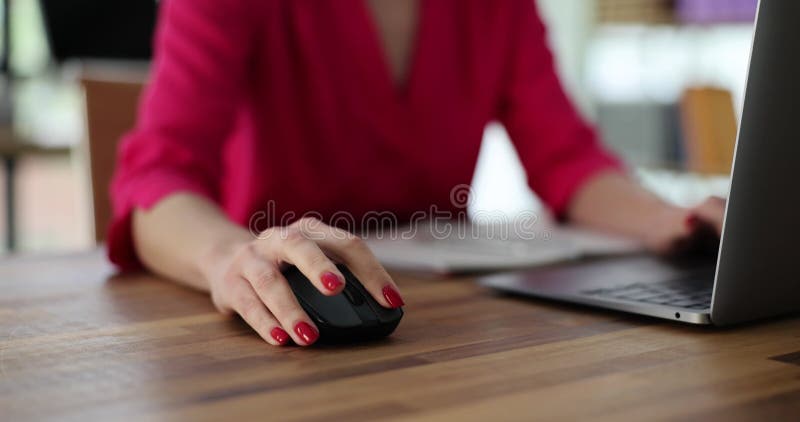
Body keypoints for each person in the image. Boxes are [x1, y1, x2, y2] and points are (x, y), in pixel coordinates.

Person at [109, 0, 726, 347]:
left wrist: (670, 219)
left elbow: (568, 159)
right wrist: (227, 260)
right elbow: (159, 175)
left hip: (442, 328)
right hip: (275, 328)